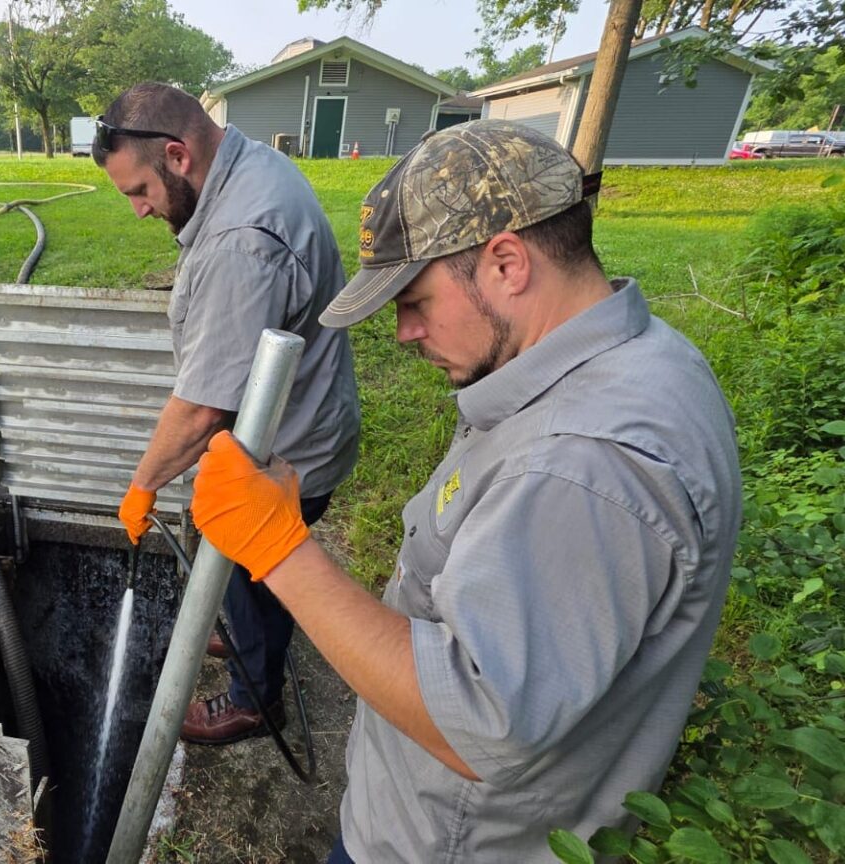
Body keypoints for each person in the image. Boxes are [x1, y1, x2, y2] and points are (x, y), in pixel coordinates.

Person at [187, 119, 742, 861]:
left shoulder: (582, 464)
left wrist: (280, 552)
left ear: (506, 262)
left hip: (447, 844)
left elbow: (473, 720)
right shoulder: (628, 361)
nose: (405, 333)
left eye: (414, 300)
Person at [93, 82, 360, 744]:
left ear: (178, 156)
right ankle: (248, 629)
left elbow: (201, 409)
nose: (137, 211)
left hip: (289, 449)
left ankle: (254, 701)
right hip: (298, 423)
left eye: (140, 191)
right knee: (248, 575)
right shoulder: (247, 166)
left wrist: (144, 484)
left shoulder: (242, 241)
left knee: (247, 557)